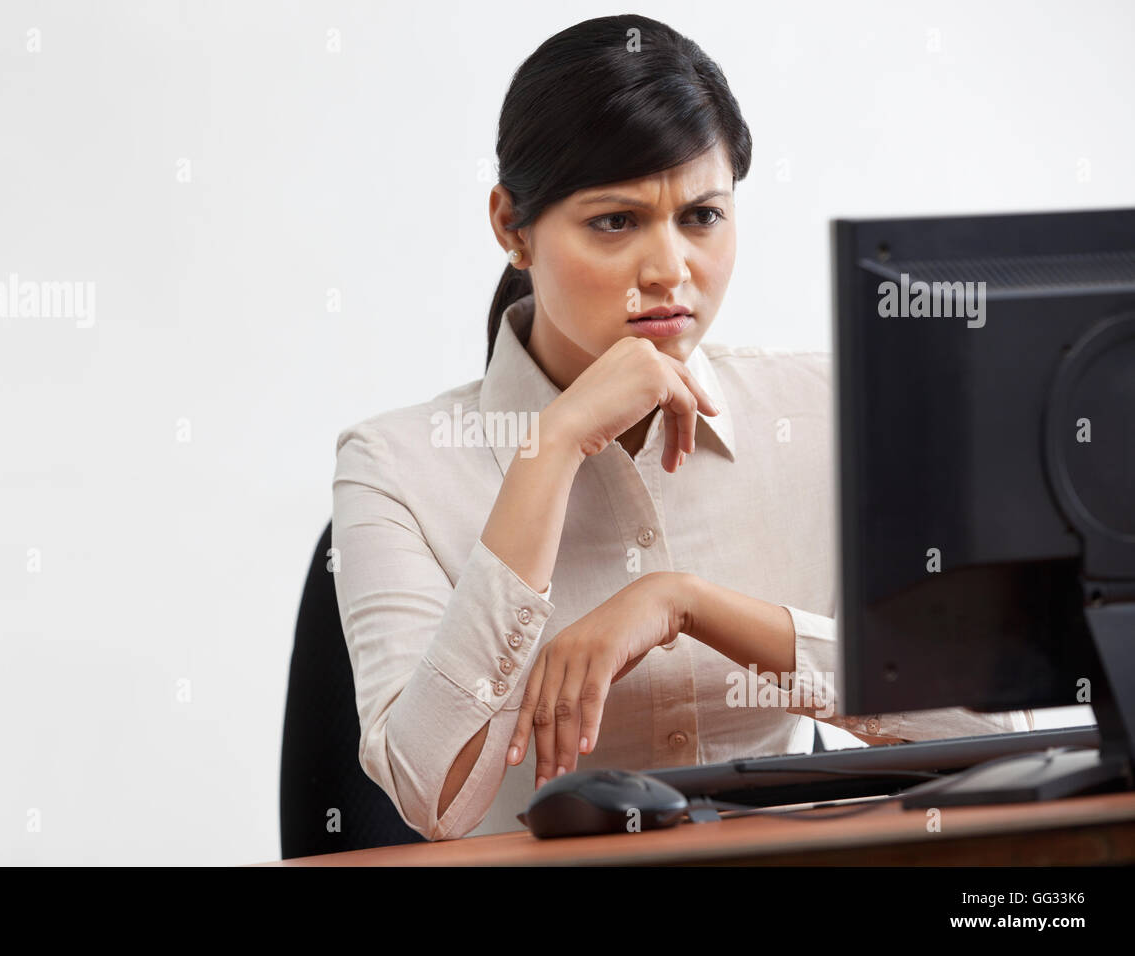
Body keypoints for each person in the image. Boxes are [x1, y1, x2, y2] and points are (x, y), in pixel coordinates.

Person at [329, 14, 1032, 842]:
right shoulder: (392, 467)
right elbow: (432, 798)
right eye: (615, 222)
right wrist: (548, 450)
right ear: (511, 226)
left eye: (701, 216)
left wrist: (688, 604)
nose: (670, 271)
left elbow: (993, 741)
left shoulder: (820, 411)